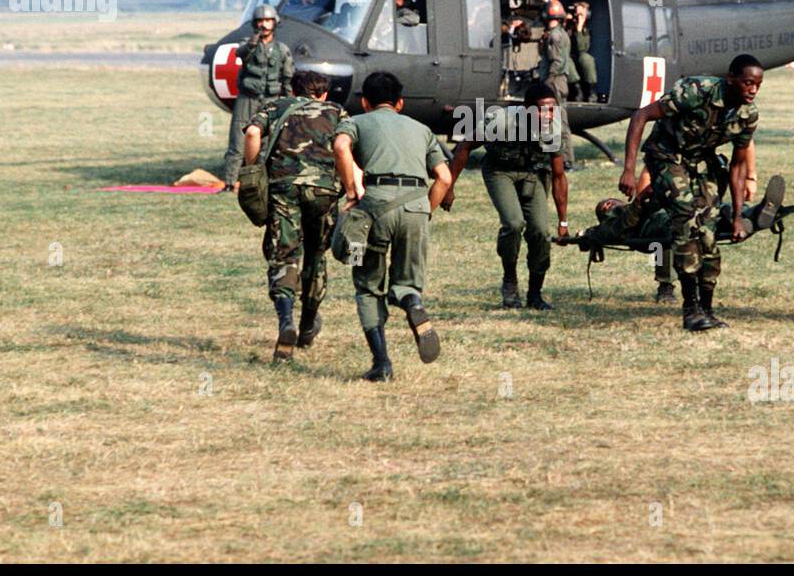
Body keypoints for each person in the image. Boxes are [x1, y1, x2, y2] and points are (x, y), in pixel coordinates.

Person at [619, 56, 765, 331]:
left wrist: (736, 216)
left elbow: (737, 167)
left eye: (758, 84)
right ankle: (690, 309)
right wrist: (629, 169)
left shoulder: (748, 115)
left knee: (707, 231)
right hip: (665, 156)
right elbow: (641, 116)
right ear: (731, 78)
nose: (753, 90)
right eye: (748, 83)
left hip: (700, 161)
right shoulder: (697, 90)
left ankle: (707, 309)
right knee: (686, 218)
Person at [333, 71, 452, 382]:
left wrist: (350, 190)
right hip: (416, 207)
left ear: (364, 101)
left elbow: (341, 147)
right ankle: (412, 302)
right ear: (399, 103)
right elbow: (445, 178)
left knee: (367, 284)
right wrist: (425, 211)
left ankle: (382, 363)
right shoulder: (422, 129)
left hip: (373, 210)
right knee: (408, 281)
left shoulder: (356, 121)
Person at [242, 71, 344, 361]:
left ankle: (286, 321)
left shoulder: (274, 107)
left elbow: (251, 133)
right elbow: (345, 147)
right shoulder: (336, 110)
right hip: (323, 191)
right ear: (322, 94)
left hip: (282, 189)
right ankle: (308, 323)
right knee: (316, 255)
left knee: (284, 256)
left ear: (292, 89)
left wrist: (251, 170)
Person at [442, 82, 569, 309]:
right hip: (500, 170)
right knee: (513, 223)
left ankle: (535, 293)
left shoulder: (554, 128)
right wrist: (448, 187)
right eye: (542, 109)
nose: (548, 115)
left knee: (541, 231)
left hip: (532, 174)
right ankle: (510, 279)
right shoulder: (502, 121)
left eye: (552, 109)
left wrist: (563, 221)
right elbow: (464, 147)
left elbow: (558, 175)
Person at [223, 4, 294, 190]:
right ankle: (230, 182)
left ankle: (261, 182)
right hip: (248, 98)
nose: (264, 24)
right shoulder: (248, 45)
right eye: (261, 21)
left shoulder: (282, 49)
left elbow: (287, 79)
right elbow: (240, 54)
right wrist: (253, 41)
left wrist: (289, 104)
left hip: (271, 100)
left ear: (275, 23)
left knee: (266, 143)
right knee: (237, 141)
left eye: (268, 20)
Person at [538, 0, 575, 165]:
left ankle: (566, 159)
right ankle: (564, 158)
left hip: (554, 82)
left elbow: (557, 61)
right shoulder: (561, 33)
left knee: (558, 120)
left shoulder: (554, 35)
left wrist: (548, 82)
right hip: (559, 81)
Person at [570, 1, 599, 102]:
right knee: (567, 60)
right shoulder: (568, 26)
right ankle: (578, 90)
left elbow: (582, 48)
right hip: (569, 55)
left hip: (579, 55)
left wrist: (579, 28)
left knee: (587, 59)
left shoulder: (585, 30)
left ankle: (592, 91)